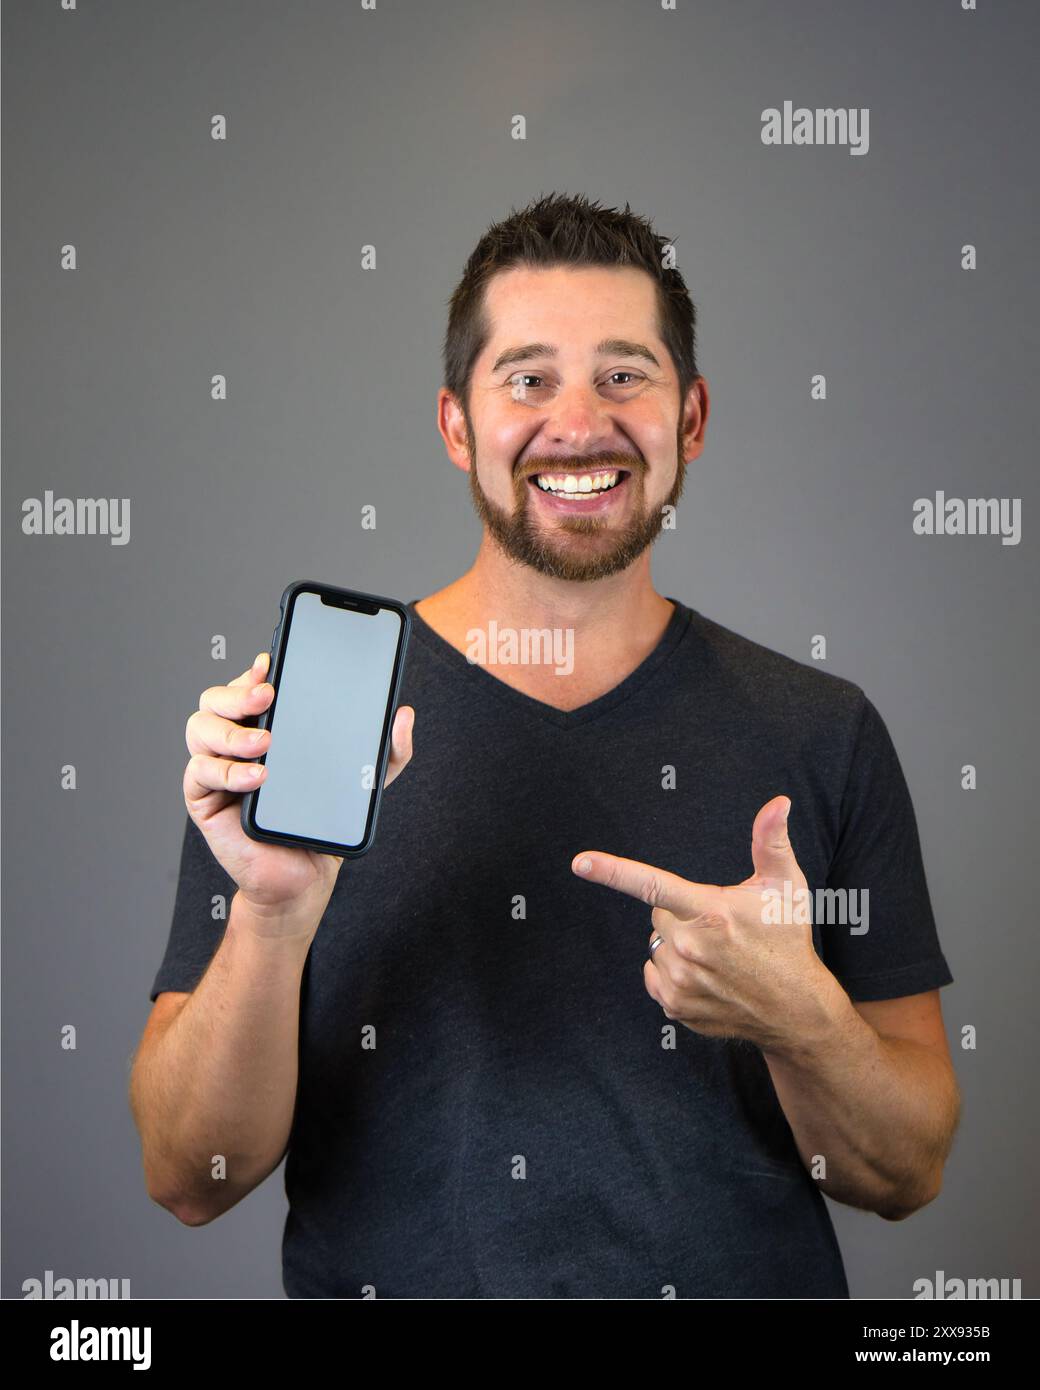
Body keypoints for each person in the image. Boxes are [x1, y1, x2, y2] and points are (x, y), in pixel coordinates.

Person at [129, 192, 959, 1299]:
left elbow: (904, 1171)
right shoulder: (299, 729)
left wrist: (800, 1021)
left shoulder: (822, 728)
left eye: (624, 374)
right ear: (455, 424)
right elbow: (191, 1173)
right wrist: (274, 915)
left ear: (691, 418)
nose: (577, 423)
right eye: (527, 378)